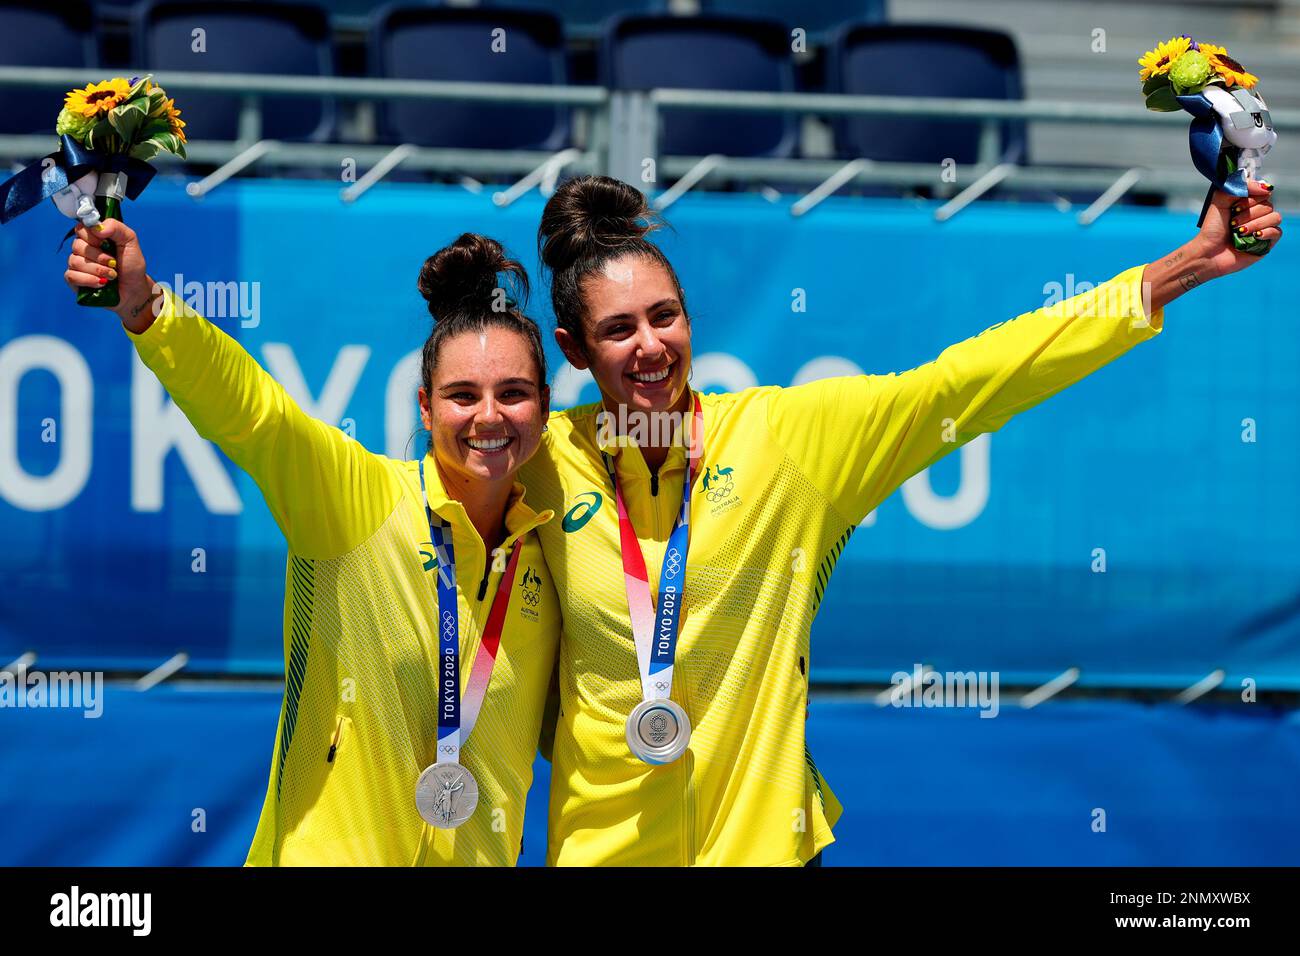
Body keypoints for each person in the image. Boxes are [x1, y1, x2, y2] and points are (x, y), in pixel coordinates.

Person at [519, 174, 1282, 866]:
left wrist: (1187, 267)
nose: (652, 345)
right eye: (620, 330)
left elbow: (970, 381)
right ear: (574, 352)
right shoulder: (540, 464)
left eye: (667, 317)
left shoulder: (786, 441)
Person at [64, 226, 560, 866]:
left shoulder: (552, 558)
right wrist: (147, 308)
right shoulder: (357, 502)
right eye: (462, 395)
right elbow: (257, 416)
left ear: (545, 408)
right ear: (426, 409)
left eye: (513, 394)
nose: (488, 416)